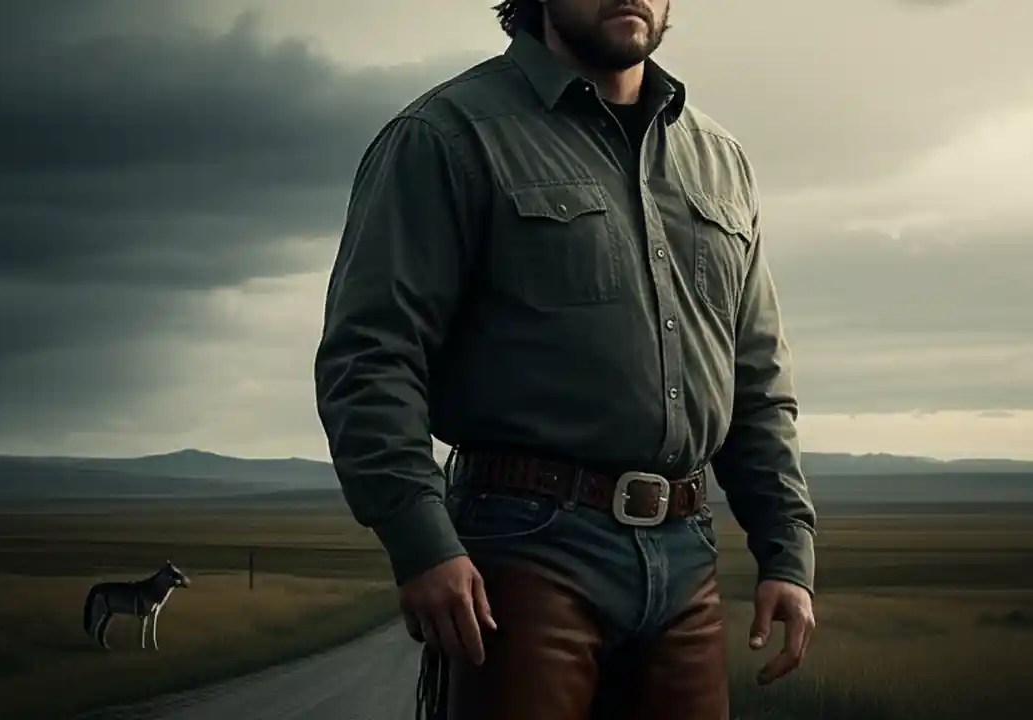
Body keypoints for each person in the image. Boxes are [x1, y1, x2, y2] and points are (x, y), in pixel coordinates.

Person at [313, 1, 818, 717]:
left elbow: (757, 380)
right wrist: (421, 542)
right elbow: (370, 356)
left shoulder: (720, 161)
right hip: (525, 550)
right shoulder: (446, 136)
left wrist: (787, 552)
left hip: (686, 558)